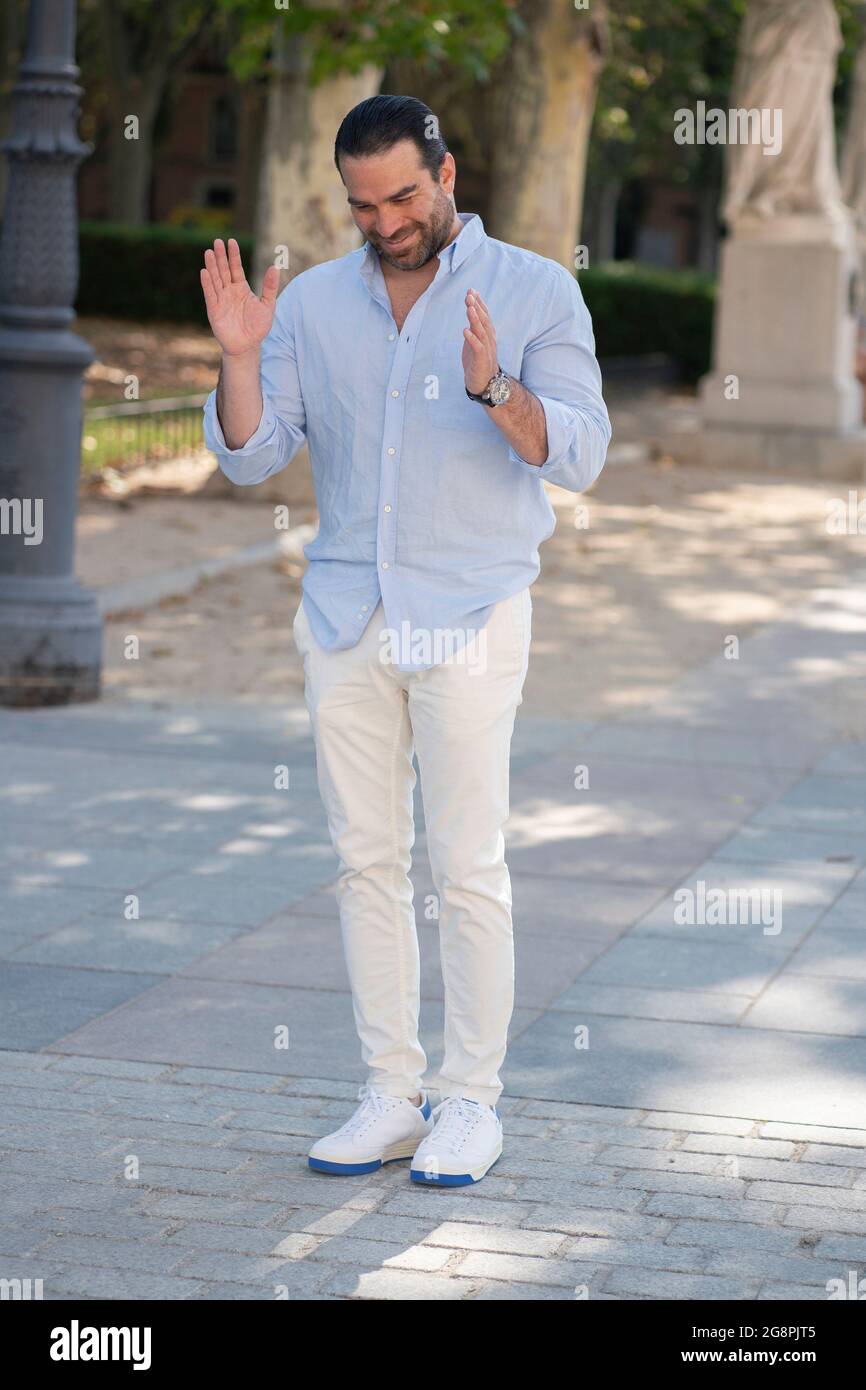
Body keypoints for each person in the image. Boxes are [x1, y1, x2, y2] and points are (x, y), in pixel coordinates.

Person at [201, 94, 611, 1187]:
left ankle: (471, 1102)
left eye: (401, 196)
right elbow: (252, 456)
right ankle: (392, 1091)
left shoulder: (531, 288)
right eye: (361, 204)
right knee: (362, 862)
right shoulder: (317, 303)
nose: (383, 222)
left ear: (446, 173)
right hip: (344, 615)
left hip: (472, 613)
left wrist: (491, 386)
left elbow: (576, 451)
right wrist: (242, 356)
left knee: (466, 864)